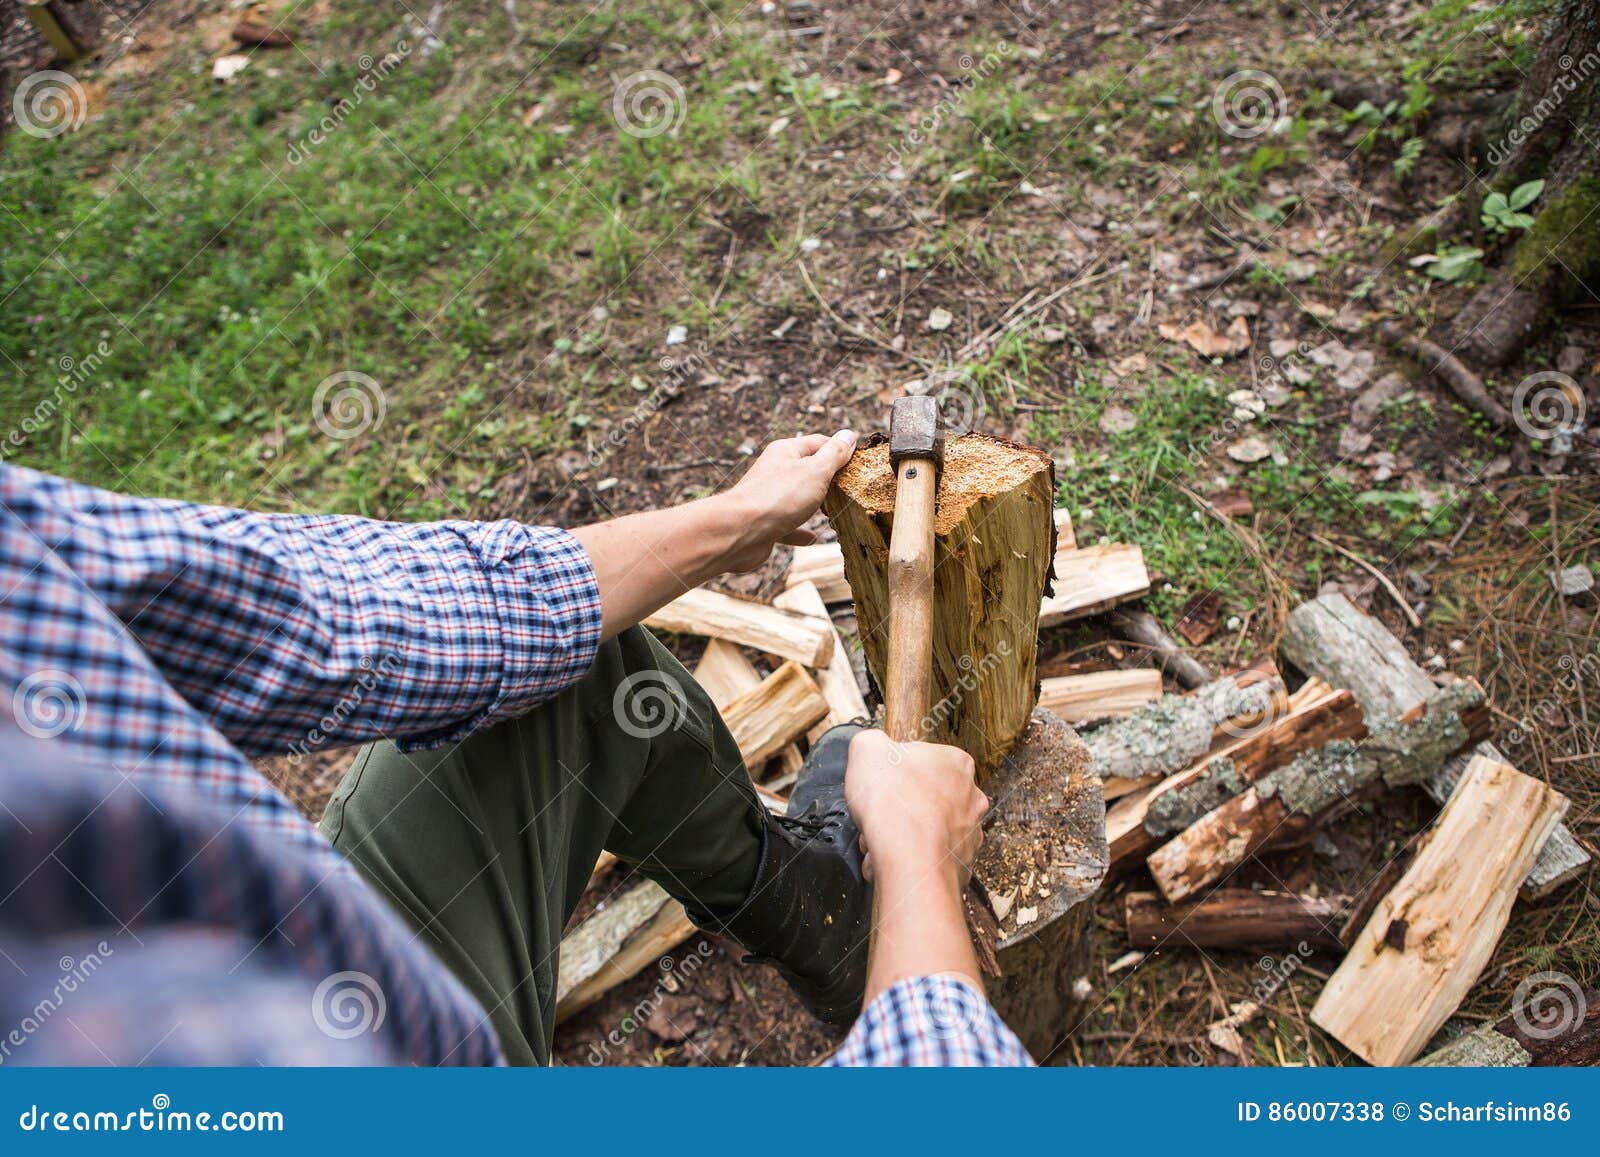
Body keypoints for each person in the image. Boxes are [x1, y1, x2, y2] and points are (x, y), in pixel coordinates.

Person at [0, 434, 1031, 1067]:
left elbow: (302, 604)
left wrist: (730, 524)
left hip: (293, 951)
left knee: (568, 673)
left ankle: (800, 907)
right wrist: (917, 867)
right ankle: (880, 923)